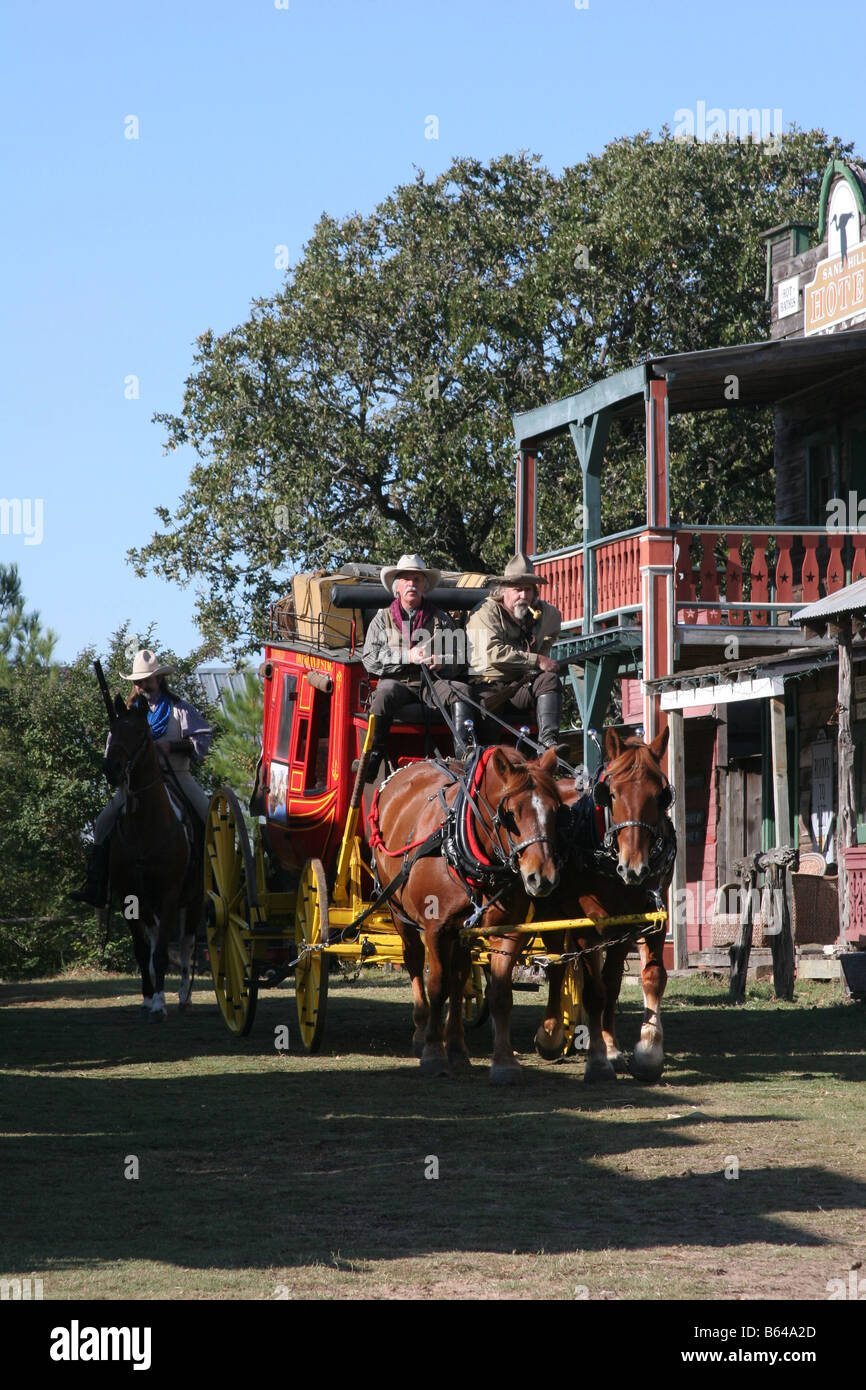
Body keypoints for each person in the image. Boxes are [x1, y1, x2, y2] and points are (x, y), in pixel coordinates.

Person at [70, 650, 213, 906]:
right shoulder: (126, 715)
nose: (143, 685)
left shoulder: (179, 709)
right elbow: (113, 749)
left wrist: (173, 746)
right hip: (135, 784)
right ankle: (96, 885)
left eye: (148, 679)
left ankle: (210, 881)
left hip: (176, 776)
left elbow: (202, 737)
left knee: (208, 816)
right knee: (103, 822)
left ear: (159, 680)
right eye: (139, 681)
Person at [361, 554, 474, 780]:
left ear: (424, 586)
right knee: (382, 696)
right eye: (406, 579)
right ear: (397, 587)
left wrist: (443, 662)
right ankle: (373, 759)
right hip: (397, 685)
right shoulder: (381, 620)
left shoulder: (441, 619)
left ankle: (466, 761)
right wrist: (407, 656)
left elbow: (462, 659)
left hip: (431, 685)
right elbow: (370, 658)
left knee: (463, 692)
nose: (412, 584)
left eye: (417, 579)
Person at [466, 551, 567, 754]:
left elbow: (555, 621)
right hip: (488, 686)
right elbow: (493, 653)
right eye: (517, 590)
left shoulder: (543, 612)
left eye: (528, 590)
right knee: (490, 742)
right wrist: (537, 660)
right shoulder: (485, 612)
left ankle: (548, 746)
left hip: (521, 686)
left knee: (548, 680)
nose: (523, 596)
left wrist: (544, 652)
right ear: (504, 591)